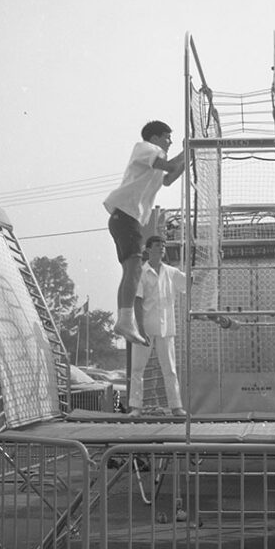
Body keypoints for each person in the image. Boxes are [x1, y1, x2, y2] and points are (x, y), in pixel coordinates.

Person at [104, 120, 187, 346]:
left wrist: (188, 156)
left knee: (130, 270)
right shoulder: (146, 148)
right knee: (134, 269)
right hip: (126, 216)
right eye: (167, 137)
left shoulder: (155, 160)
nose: (170, 141)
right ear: (155, 137)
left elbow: (169, 179)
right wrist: (187, 150)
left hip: (126, 219)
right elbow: (169, 167)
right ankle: (126, 320)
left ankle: (124, 319)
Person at [128, 235, 187, 417]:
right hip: (144, 326)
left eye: (163, 245)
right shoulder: (141, 272)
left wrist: (208, 266)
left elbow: (191, 282)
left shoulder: (171, 272)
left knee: (169, 369)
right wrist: (140, 328)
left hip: (166, 327)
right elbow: (137, 302)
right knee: (138, 368)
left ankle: (176, 406)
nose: (161, 248)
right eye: (157, 245)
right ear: (148, 249)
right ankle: (135, 408)